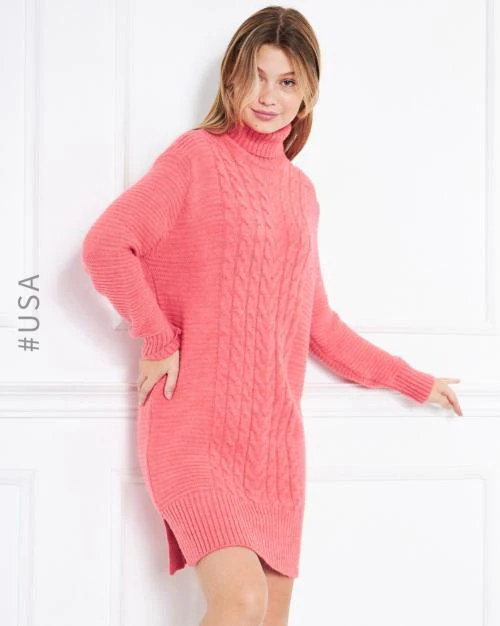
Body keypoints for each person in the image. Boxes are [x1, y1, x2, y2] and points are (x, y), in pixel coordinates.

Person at [81, 6, 463, 625]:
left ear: (307, 93)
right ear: (232, 78)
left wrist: (414, 381)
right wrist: (157, 337)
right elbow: (106, 245)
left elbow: (320, 326)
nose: (267, 96)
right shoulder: (195, 158)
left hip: (275, 449)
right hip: (195, 429)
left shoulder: (301, 194)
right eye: (256, 76)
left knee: (271, 617)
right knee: (240, 600)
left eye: (286, 82)